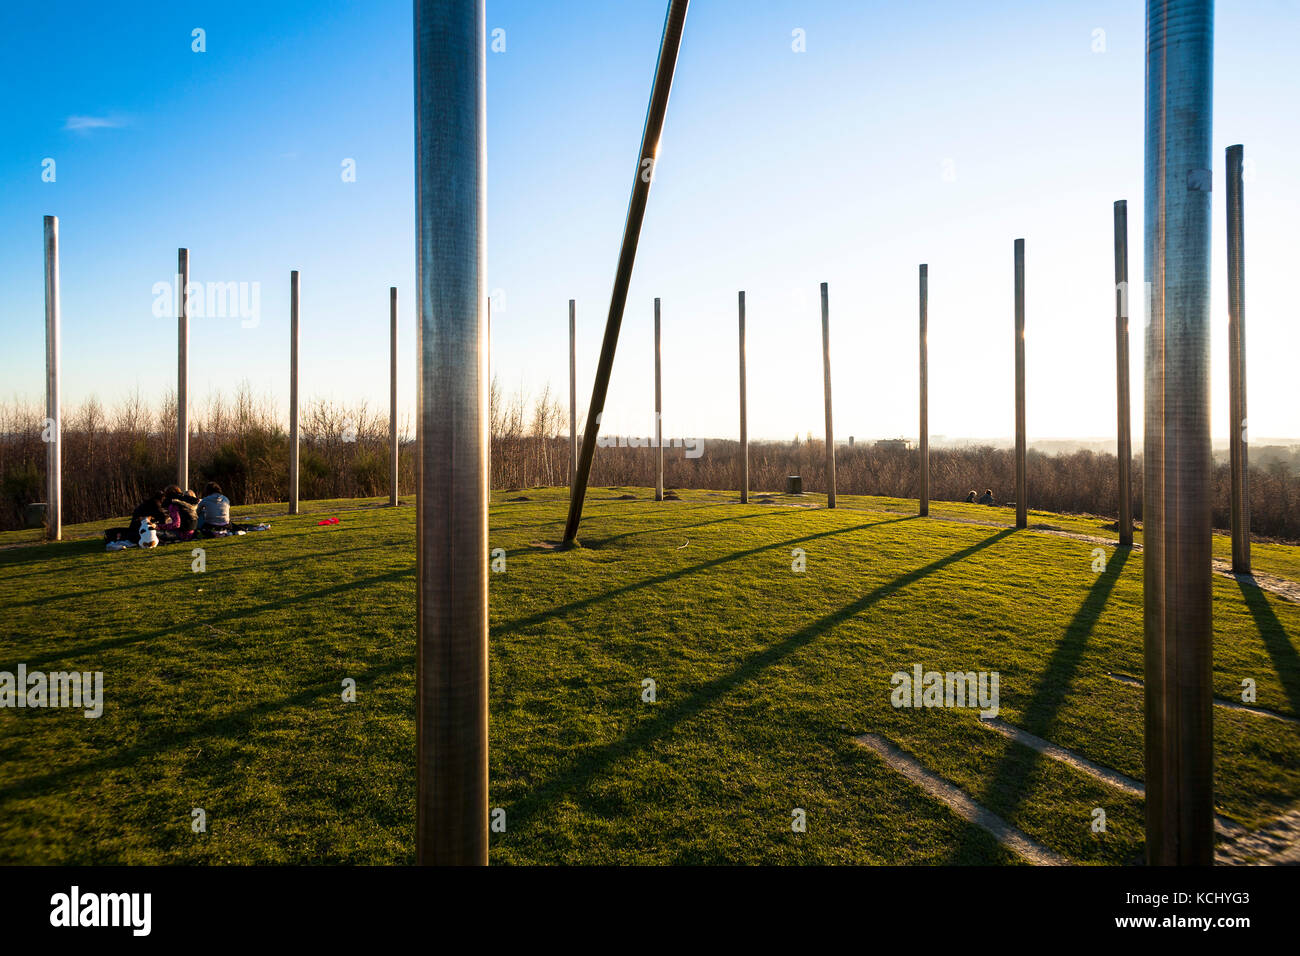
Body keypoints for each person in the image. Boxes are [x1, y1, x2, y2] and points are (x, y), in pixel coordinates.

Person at [104, 491, 170, 545]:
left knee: (130, 532)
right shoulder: (156, 503)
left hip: (138, 521)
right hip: (139, 523)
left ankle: (110, 533)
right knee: (133, 535)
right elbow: (162, 516)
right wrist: (164, 526)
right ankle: (112, 534)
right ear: (162, 498)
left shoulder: (151, 502)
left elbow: (157, 514)